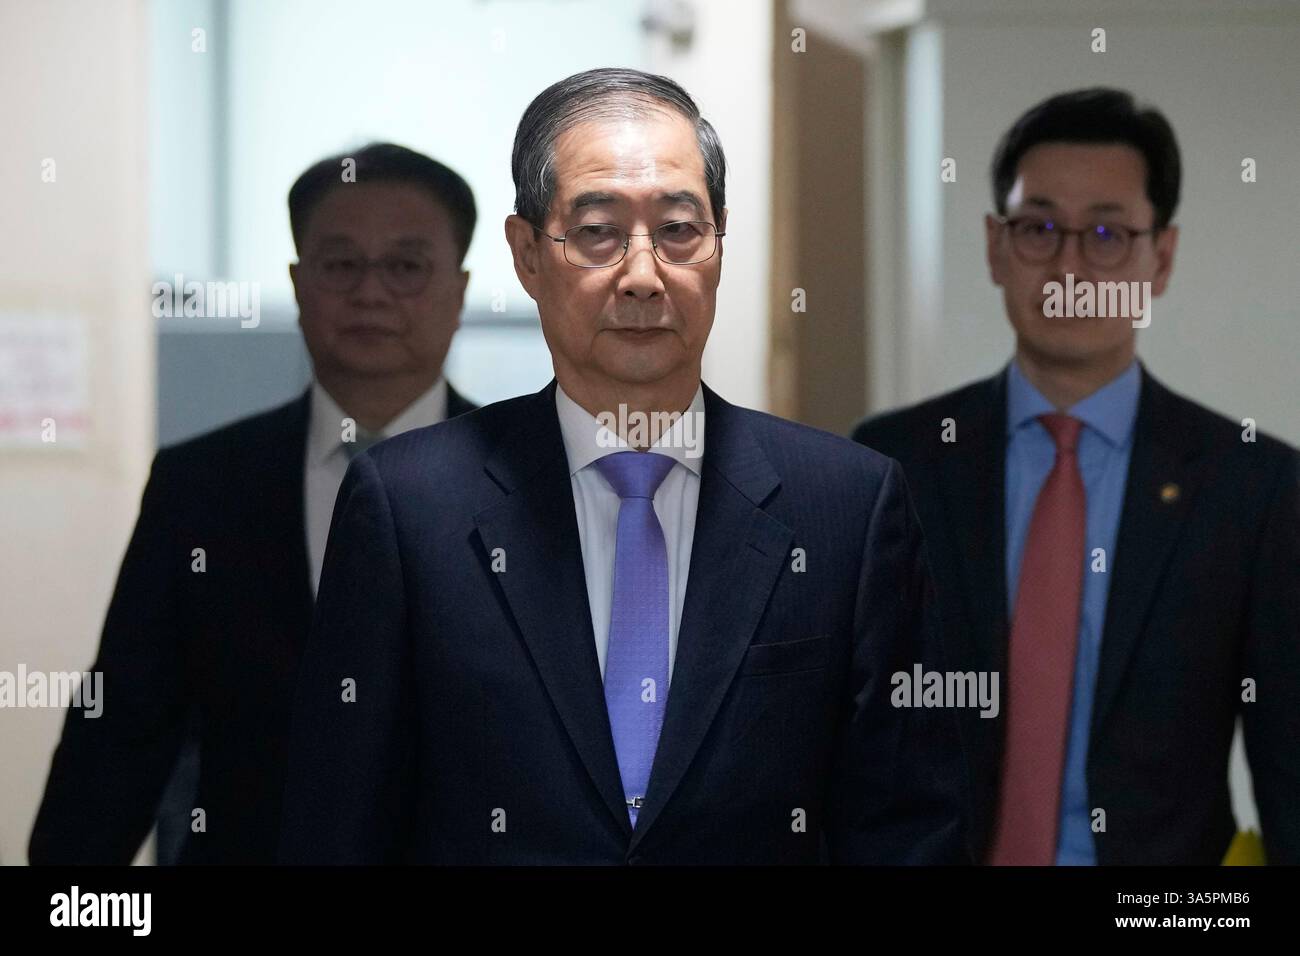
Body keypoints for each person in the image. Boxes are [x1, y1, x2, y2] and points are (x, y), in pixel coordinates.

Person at [278, 68, 970, 865]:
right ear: (528, 254)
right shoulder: (409, 507)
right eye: (598, 231)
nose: (644, 276)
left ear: (717, 247)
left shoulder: (847, 506)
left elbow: (909, 830)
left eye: (679, 229)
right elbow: (337, 824)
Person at [853, 88, 1300, 865]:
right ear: (996, 246)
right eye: (1037, 228)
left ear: (1159, 258)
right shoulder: (895, 464)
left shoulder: (1252, 488)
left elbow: (1289, 769)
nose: (1068, 267)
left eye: (1105, 233)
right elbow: (848, 738)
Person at [29, 143, 479, 864]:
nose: (370, 293)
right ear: (300, 284)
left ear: (457, 291)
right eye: (340, 265)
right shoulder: (199, 486)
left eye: (405, 266)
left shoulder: (534, 482)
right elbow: (118, 734)